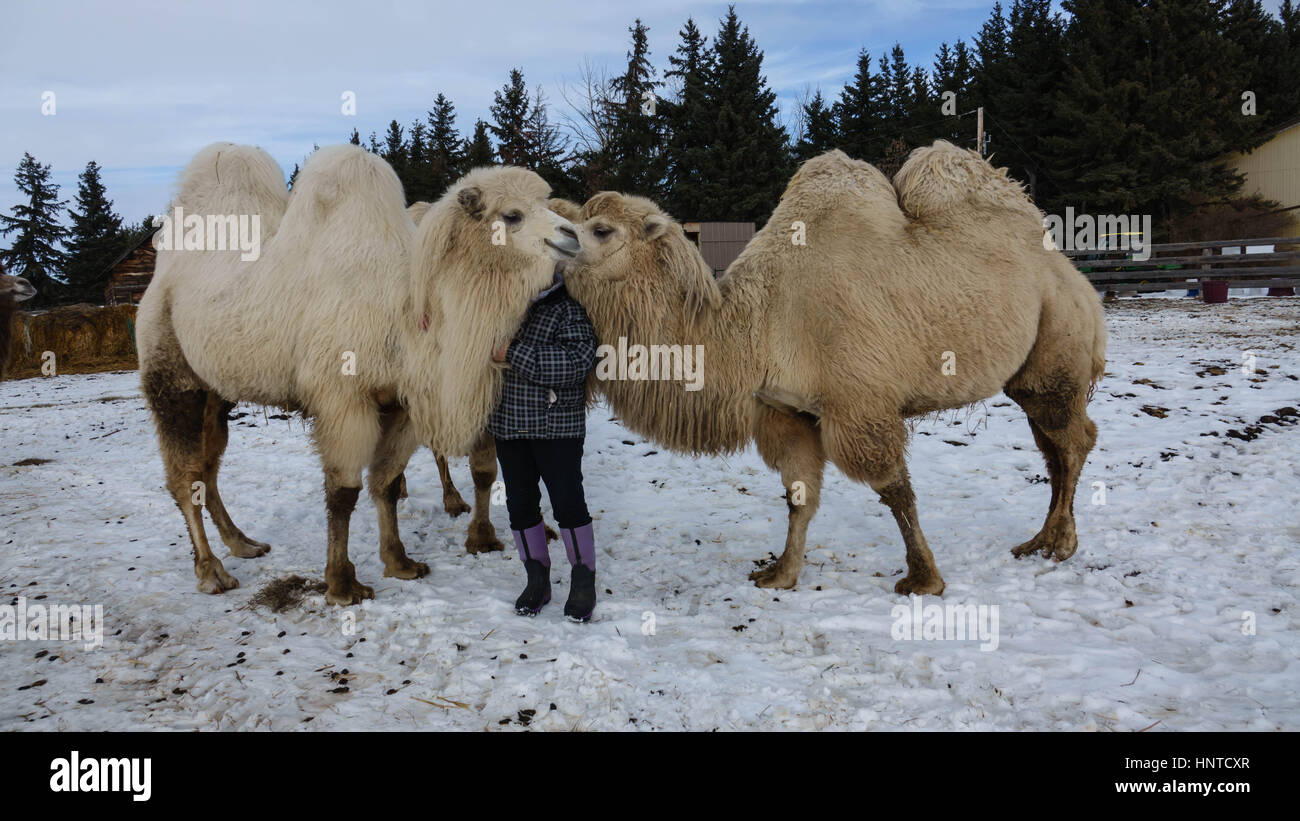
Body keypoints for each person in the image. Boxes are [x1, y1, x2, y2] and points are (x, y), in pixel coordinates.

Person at [488, 266, 599, 621]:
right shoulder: (502, 307)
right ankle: (537, 580)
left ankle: (583, 582)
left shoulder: (569, 309)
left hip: (558, 429)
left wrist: (513, 354)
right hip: (509, 427)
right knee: (520, 506)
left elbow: (575, 363)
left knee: (568, 505)